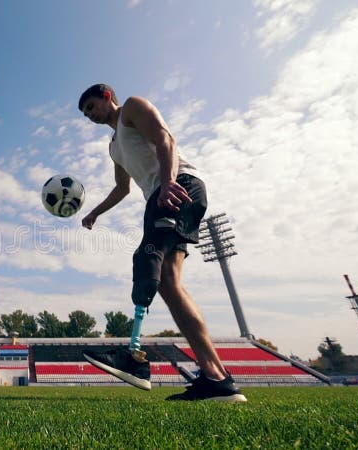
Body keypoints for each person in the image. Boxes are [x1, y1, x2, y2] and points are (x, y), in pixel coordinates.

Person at [77, 83, 246, 402]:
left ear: (107, 96)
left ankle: (135, 358)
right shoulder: (114, 146)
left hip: (178, 185)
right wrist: (94, 213)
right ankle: (217, 378)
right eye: (85, 113)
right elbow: (121, 188)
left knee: (147, 262)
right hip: (158, 194)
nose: (90, 115)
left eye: (92, 107)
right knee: (168, 281)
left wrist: (168, 181)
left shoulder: (132, 107)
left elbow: (165, 138)